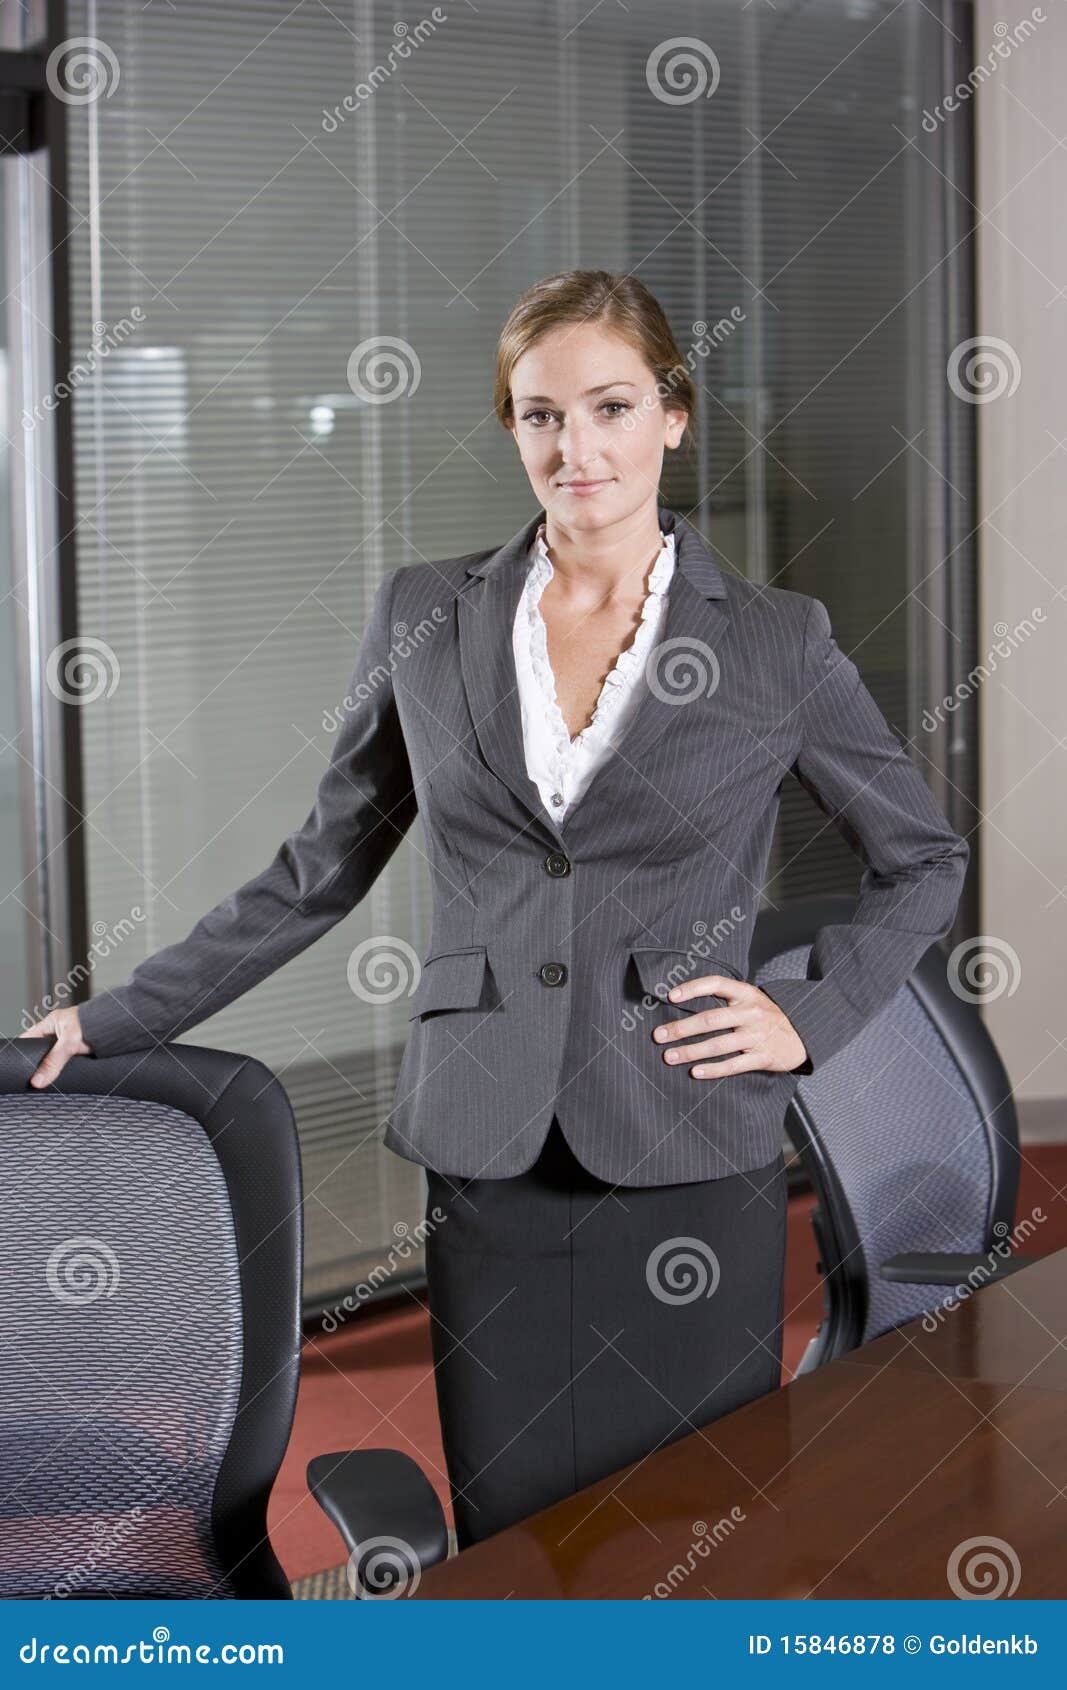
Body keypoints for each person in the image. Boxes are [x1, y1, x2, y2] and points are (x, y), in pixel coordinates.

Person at [23, 268, 969, 1551]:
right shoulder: (426, 614)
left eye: (610, 407)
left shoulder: (773, 640)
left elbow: (921, 857)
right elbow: (320, 866)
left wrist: (805, 1015)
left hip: (685, 1136)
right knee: (511, 1534)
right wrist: (121, 1015)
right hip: (488, 1141)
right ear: (511, 428)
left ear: (673, 415)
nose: (576, 448)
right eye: (539, 415)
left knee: (700, 1534)